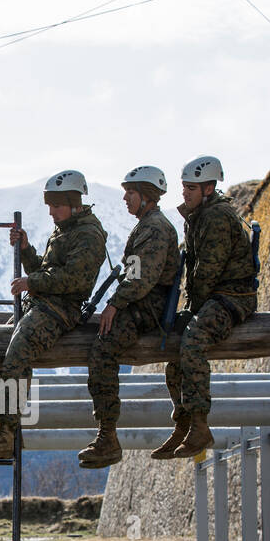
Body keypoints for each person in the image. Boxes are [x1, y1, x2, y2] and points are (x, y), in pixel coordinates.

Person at [0, 170, 107, 459]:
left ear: (73, 202)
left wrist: (31, 283)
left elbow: (74, 280)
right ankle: (10, 430)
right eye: (50, 206)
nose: (51, 212)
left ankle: (6, 433)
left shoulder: (88, 235)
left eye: (56, 206)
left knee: (17, 353)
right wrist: (26, 249)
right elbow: (47, 270)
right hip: (41, 305)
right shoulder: (67, 228)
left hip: (60, 311)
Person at [80, 166, 180, 468]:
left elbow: (139, 279)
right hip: (143, 301)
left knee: (102, 349)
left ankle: (107, 437)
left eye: (131, 193)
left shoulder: (153, 229)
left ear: (147, 197)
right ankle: (106, 435)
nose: (125, 198)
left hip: (146, 305)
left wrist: (114, 304)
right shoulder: (148, 225)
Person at [161, 155, 258, 459]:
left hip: (232, 297)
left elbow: (207, 272)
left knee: (193, 342)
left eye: (191, 188)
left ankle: (200, 425)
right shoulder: (198, 215)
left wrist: (193, 311)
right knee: (174, 352)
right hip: (212, 297)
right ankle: (184, 422)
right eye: (184, 188)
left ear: (208, 188)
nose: (185, 193)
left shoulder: (215, 217)